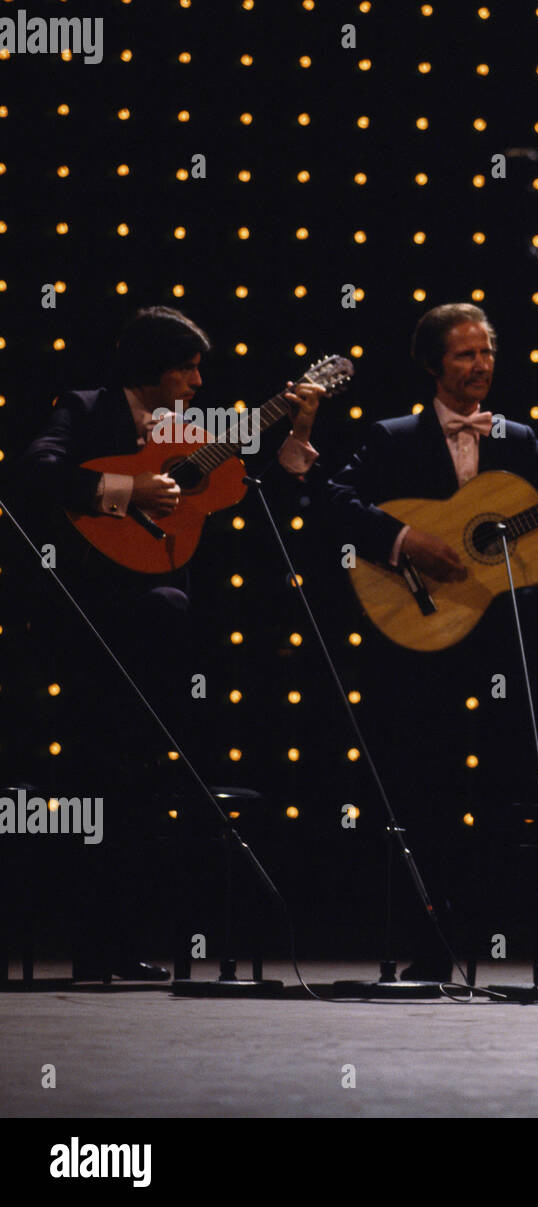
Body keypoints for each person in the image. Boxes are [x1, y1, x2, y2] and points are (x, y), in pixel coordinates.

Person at [325, 302, 538, 979]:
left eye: (487, 352)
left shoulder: (517, 438)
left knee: (509, 790)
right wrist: (405, 538)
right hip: (421, 640)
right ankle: (430, 950)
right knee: (427, 791)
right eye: (464, 355)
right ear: (433, 364)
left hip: (501, 646)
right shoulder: (392, 438)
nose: (481, 366)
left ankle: (511, 942)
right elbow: (333, 499)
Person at [19, 305, 323, 981]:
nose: (196, 379)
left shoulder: (192, 432)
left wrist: (298, 416)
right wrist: (127, 488)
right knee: (95, 778)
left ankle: (120, 942)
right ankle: (87, 942)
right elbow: (35, 471)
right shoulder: (85, 406)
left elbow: (246, 486)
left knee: (146, 784)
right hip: (93, 619)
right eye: (186, 365)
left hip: (161, 630)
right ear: (152, 365)